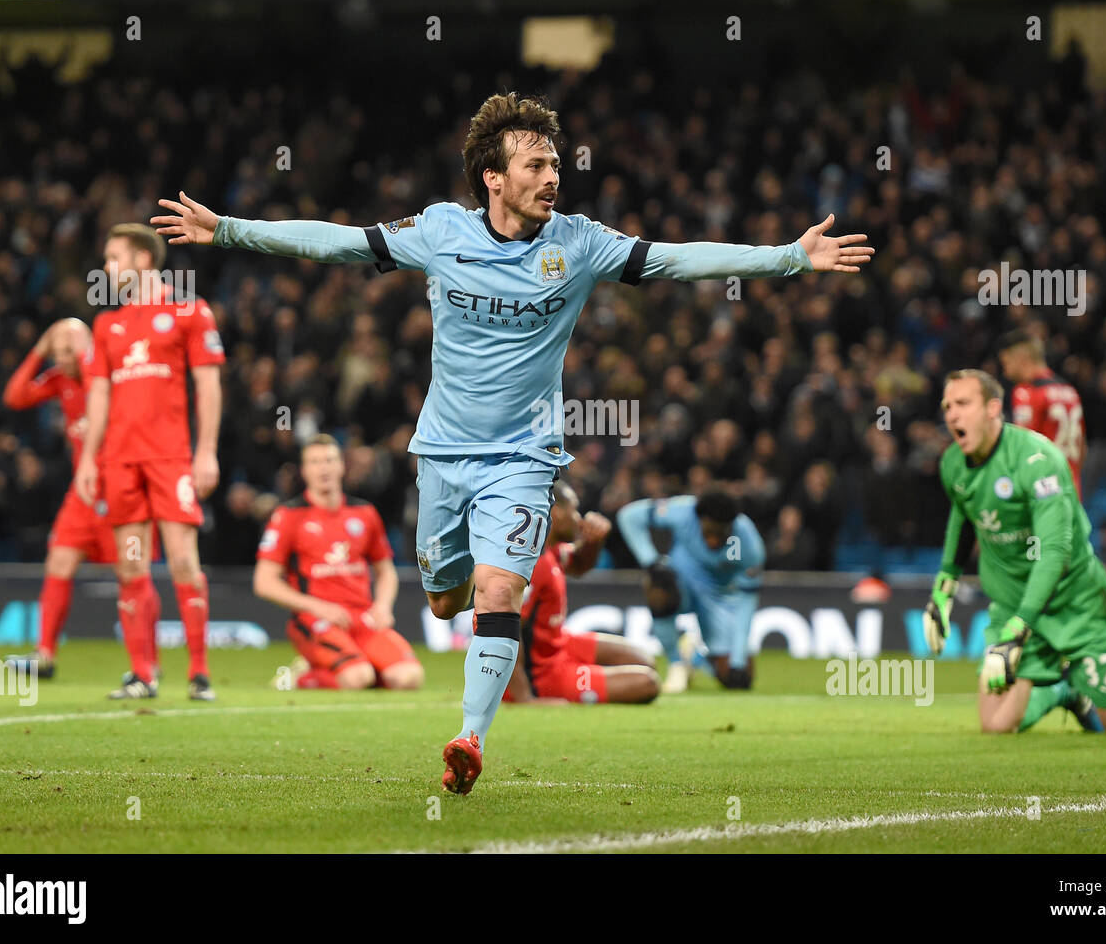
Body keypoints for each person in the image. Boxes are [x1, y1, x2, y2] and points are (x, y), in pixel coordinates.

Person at [151, 91, 872, 793]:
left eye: (555, 162)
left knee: (500, 589)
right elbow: (341, 243)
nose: (551, 176)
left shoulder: (580, 244)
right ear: (492, 176)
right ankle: (456, 607)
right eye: (533, 165)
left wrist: (788, 257)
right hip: (442, 452)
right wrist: (230, 229)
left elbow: (679, 259)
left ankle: (469, 737)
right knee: (443, 600)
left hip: (526, 459)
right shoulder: (440, 231)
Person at [922, 369, 1106, 736]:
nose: (951, 415)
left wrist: (1018, 628)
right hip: (1013, 601)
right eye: (947, 406)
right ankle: (1064, 690)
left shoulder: (1038, 460)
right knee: (995, 724)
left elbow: (1054, 553)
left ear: (993, 408)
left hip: (1074, 600)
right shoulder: (953, 465)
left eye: (962, 403)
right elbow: (964, 514)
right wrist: (944, 590)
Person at [74, 224, 225, 701]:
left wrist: (206, 451)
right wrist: (88, 461)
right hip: (120, 462)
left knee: (182, 561)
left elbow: (208, 385)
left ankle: (198, 673)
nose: (107, 268)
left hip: (170, 458)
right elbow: (97, 398)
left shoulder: (189, 310)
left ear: (142, 259)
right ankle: (143, 673)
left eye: (113, 258)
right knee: (131, 566)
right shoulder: (107, 325)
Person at [2, 319, 123, 679]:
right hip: (82, 493)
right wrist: (40, 349)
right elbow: (13, 396)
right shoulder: (59, 381)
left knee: (131, 574)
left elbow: (94, 373)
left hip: (118, 489)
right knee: (58, 563)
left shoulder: (105, 376)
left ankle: (146, 664)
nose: (62, 360)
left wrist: (83, 350)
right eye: (57, 354)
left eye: (68, 352)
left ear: (87, 350)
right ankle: (45, 655)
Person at [253, 434, 421, 690]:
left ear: (342, 466)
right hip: (314, 620)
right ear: (304, 470)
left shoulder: (364, 513)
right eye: (315, 462)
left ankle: (338, 666)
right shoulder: (289, 516)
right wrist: (316, 607)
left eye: (330, 460)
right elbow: (264, 582)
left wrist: (383, 607)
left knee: (409, 678)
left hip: (361, 618)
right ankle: (300, 679)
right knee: (358, 678)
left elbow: (386, 571)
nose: (324, 468)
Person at [503, 480, 658, 705]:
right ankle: (547, 687)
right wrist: (524, 696)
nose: (578, 518)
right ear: (555, 512)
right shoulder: (533, 563)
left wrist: (594, 541)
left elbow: (579, 566)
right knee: (647, 683)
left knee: (645, 660)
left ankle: (582, 674)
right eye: (573, 510)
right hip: (543, 673)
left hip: (558, 644)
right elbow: (510, 628)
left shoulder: (551, 552)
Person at [616, 487, 765, 693]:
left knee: (738, 680)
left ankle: (694, 657)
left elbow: (746, 604)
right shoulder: (683, 511)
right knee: (658, 584)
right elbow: (628, 516)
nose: (713, 540)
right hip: (680, 583)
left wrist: (738, 660)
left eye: (719, 534)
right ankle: (676, 663)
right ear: (699, 520)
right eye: (708, 532)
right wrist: (651, 561)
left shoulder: (748, 543)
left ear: (731, 526)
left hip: (719, 597)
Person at [997, 330, 1086, 497]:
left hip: (1044, 492)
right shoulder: (1069, 391)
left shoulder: (1027, 392)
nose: (1005, 371)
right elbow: (1082, 448)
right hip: (1072, 490)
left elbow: (1023, 447)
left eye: (1006, 363)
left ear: (1021, 359)